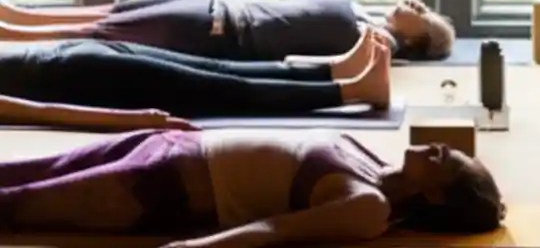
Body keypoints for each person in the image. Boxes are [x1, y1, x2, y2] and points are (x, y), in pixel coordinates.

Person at [0, 127, 505, 246]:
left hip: (161, 186)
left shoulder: (369, 206)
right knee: (16, 171)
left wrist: (197, 247)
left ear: (436, 194)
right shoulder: (371, 157)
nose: (439, 147)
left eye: (446, 160)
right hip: (169, 144)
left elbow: (272, 229)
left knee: (16, 206)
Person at [0, 28, 391, 125]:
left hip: (68, 53)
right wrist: (126, 120)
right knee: (222, 90)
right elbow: (29, 112)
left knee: (215, 70)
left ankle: (335, 70)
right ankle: (353, 90)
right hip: (72, 78)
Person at [0, 0, 454, 62]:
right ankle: (19, 17)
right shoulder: (367, 18)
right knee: (109, 12)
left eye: (424, 12)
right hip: (217, 5)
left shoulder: (375, 44)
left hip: (220, 29)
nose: (416, 3)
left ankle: (12, 36)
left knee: (102, 33)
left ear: (418, 37)